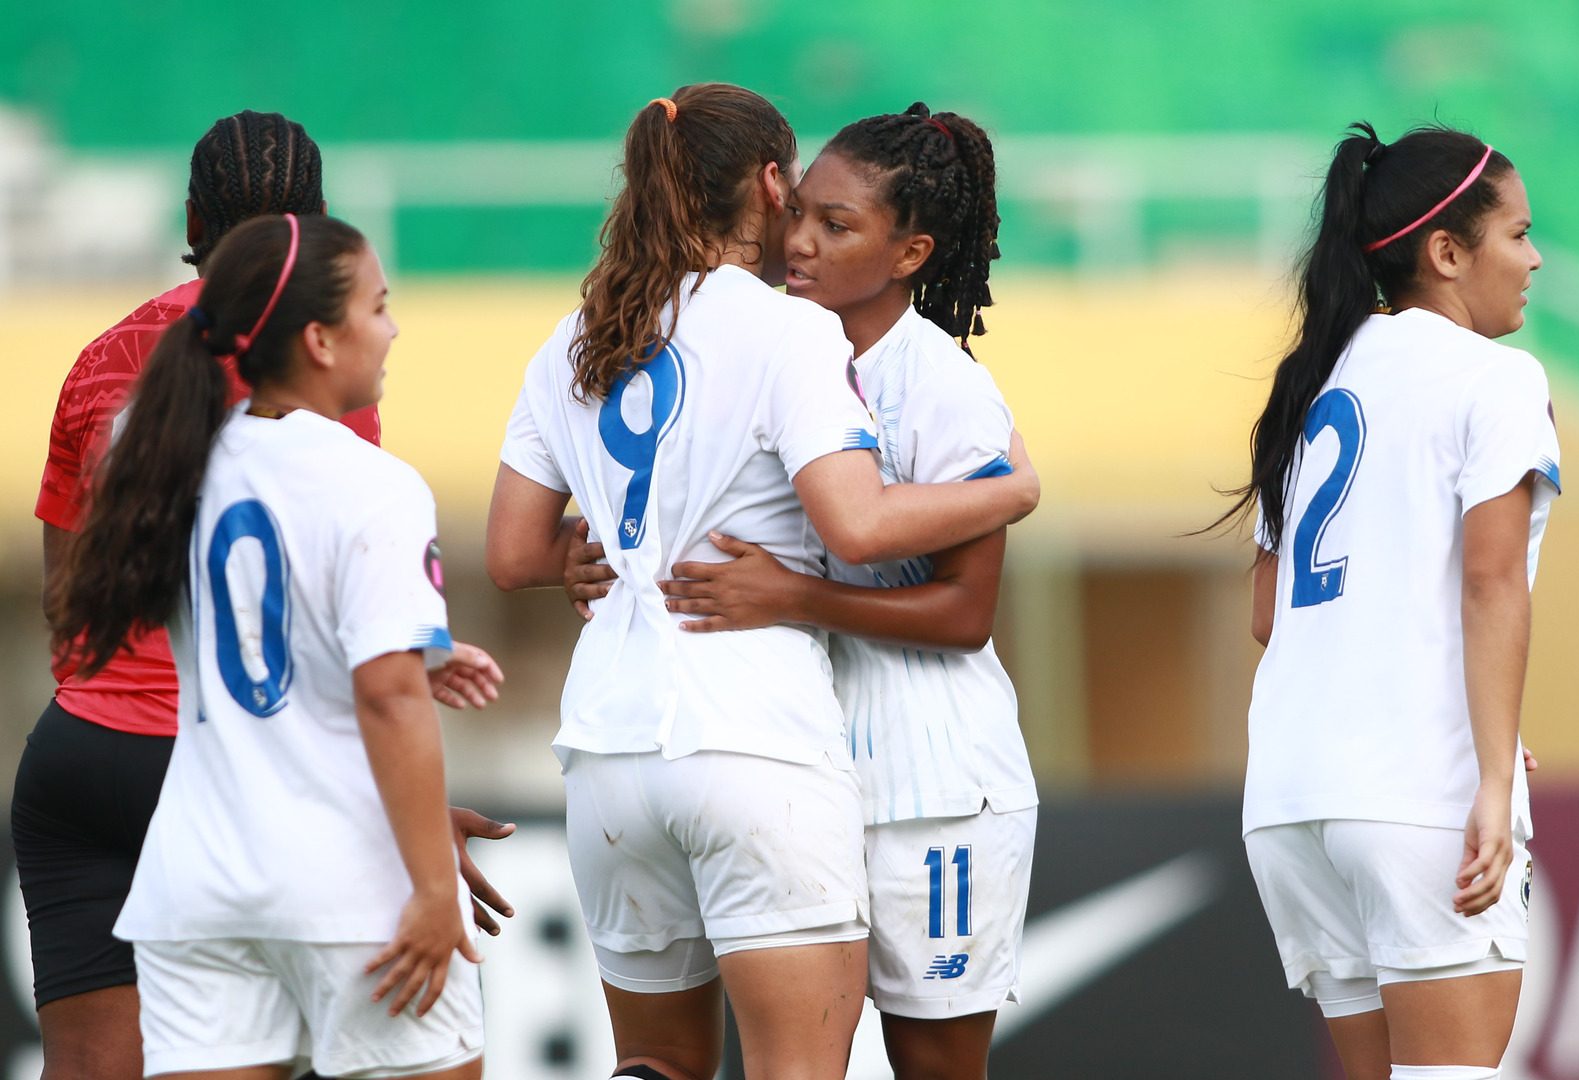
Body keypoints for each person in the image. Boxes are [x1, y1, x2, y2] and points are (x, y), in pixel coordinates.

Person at [486, 84, 1039, 1080]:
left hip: (618, 745)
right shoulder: (789, 334)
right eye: (809, 210)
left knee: (655, 1061)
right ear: (770, 184)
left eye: (841, 222)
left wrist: (598, 542)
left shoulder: (578, 335)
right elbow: (858, 524)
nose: (810, 238)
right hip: (755, 743)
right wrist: (1013, 489)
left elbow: (513, 555)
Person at [19, 109, 512, 1080]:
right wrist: (398, 822)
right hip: (241, 779)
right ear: (322, 318)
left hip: (87, 765)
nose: (392, 324)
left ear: (194, 218)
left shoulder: (112, 379)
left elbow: (73, 603)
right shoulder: (331, 418)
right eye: (376, 304)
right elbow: (339, 639)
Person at [1225, 123, 1556, 1080]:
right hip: (1416, 792)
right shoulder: (1497, 377)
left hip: (1290, 801)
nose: (1535, 259)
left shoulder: (1312, 378)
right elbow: (1490, 584)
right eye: (1520, 234)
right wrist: (1492, 776)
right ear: (1447, 252)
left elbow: (1269, 618)